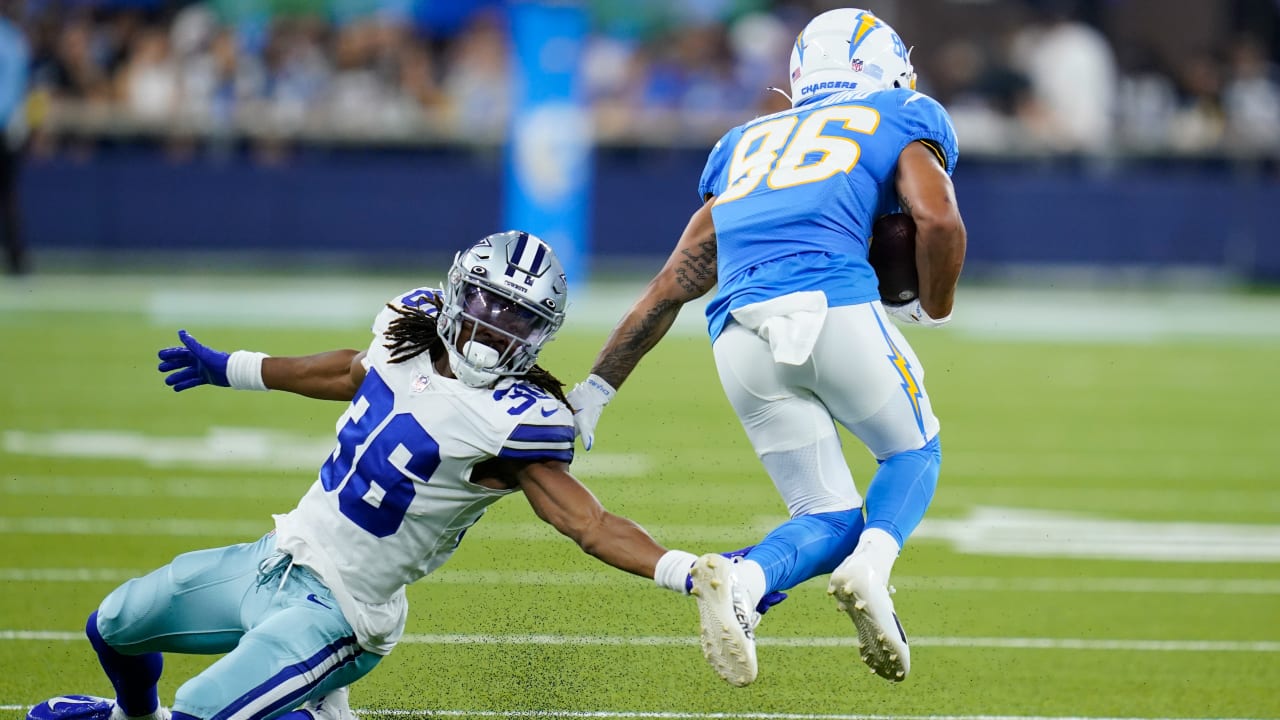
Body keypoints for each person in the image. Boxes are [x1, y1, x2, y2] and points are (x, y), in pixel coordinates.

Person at [27, 231, 705, 720]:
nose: (494, 329)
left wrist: (687, 572)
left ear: (540, 333)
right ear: (456, 292)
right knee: (113, 622)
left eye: (518, 319)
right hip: (276, 559)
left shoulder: (515, 419)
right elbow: (348, 370)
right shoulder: (409, 331)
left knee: (202, 711)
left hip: (341, 615)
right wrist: (234, 367)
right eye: (487, 303)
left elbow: (587, 523)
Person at [566, 8, 967, 688]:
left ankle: (745, 584)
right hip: (832, 306)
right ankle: (873, 568)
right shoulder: (902, 113)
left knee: (827, 517)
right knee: (912, 450)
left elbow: (671, 285)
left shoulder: (745, 143)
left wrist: (594, 390)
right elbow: (936, 216)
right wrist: (935, 305)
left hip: (738, 334)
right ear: (885, 68)